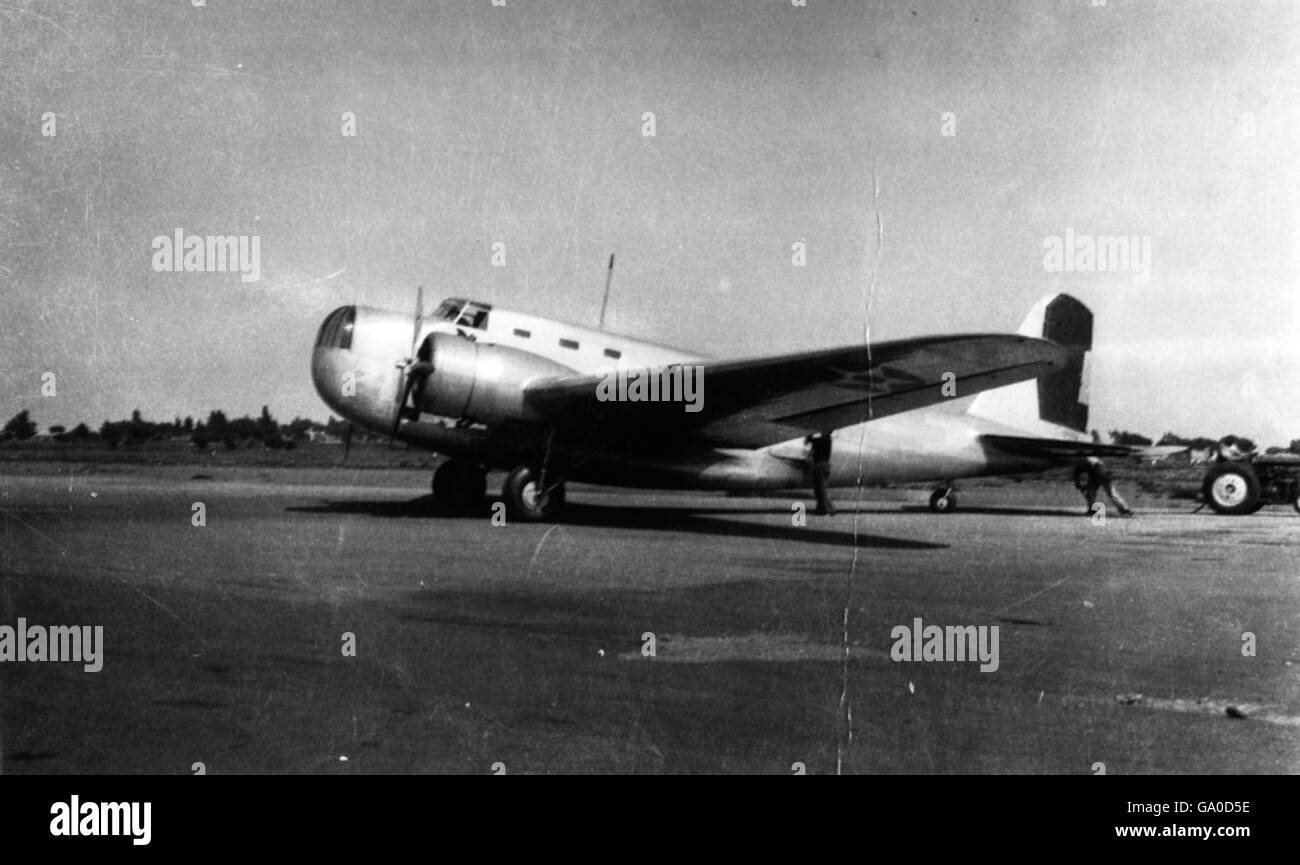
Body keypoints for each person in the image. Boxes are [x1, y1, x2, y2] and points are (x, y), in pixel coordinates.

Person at [805, 432, 835, 516]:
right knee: (819, 489)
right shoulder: (826, 439)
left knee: (821, 489)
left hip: (820, 466)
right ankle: (821, 509)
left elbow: (813, 441)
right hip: (823, 465)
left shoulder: (824, 439)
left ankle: (829, 509)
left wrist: (809, 436)